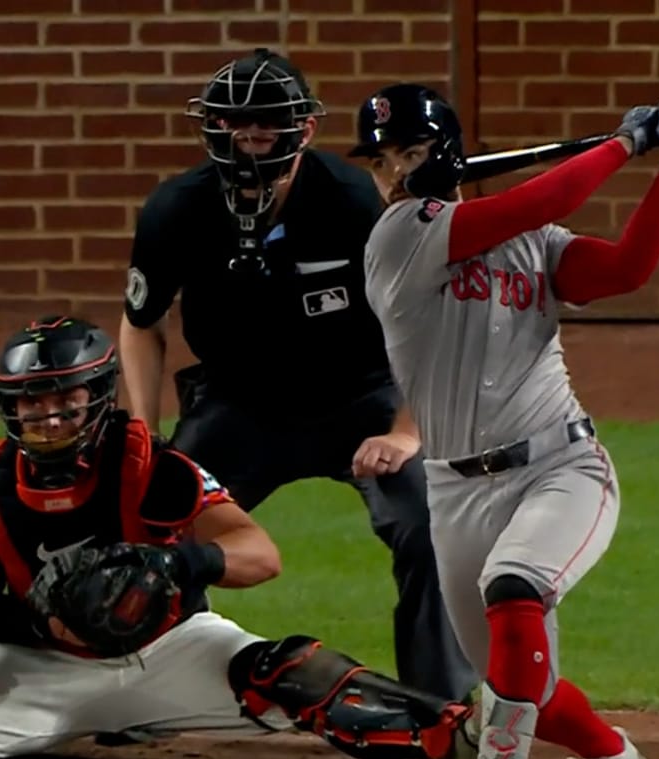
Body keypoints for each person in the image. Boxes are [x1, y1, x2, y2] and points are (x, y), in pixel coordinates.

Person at [0, 314, 481, 759]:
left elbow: (259, 553)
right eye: (33, 401)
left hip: (171, 649)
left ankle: (455, 735)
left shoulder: (149, 466)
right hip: (50, 665)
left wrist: (178, 562)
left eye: (64, 400)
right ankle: (62, 730)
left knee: (291, 671)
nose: (49, 418)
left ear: (96, 396)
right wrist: (46, 620)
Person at [349, 83, 659, 759]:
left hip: (561, 466)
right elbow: (539, 198)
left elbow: (624, 270)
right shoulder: (397, 237)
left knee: (516, 589)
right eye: (380, 161)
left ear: (445, 154)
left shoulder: (533, 241)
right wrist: (624, 143)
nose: (392, 173)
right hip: (454, 489)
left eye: (408, 154)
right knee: (521, 685)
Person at [116, 47, 480, 706]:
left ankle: (439, 707)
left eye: (264, 123)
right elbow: (141, 323)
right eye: (233, 123)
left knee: (433, 522)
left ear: (305, 129)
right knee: (149, 520)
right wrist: (145, 432)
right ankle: (150, 691)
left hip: (363, 397)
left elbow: (432, 317)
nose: (248, 137)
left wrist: (406, 430)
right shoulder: (178, 207)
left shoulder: (355, 202)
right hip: (239, 402)